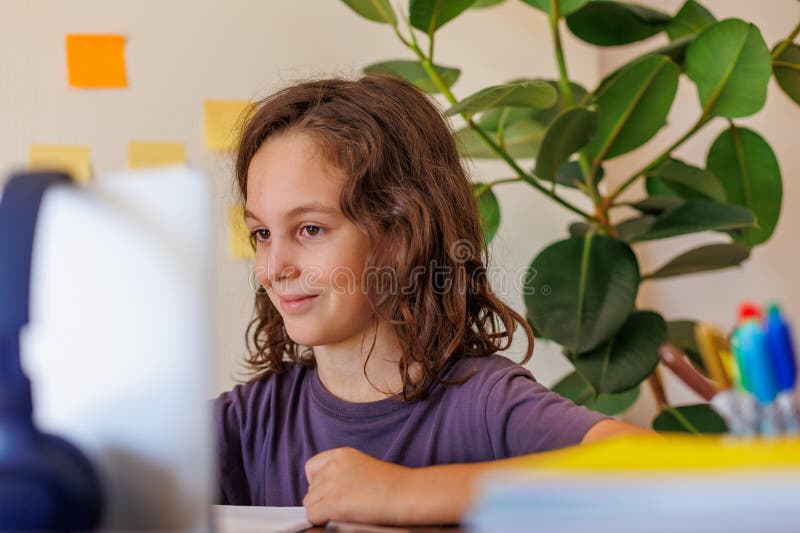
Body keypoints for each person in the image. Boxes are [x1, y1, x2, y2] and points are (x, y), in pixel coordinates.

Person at [214, 75, 649, 526]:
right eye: (262, 233)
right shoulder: (252, 421)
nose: (273, 266)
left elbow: (655, 468)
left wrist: (408, 492)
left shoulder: (483, 404)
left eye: (310, 229)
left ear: (403, 236)